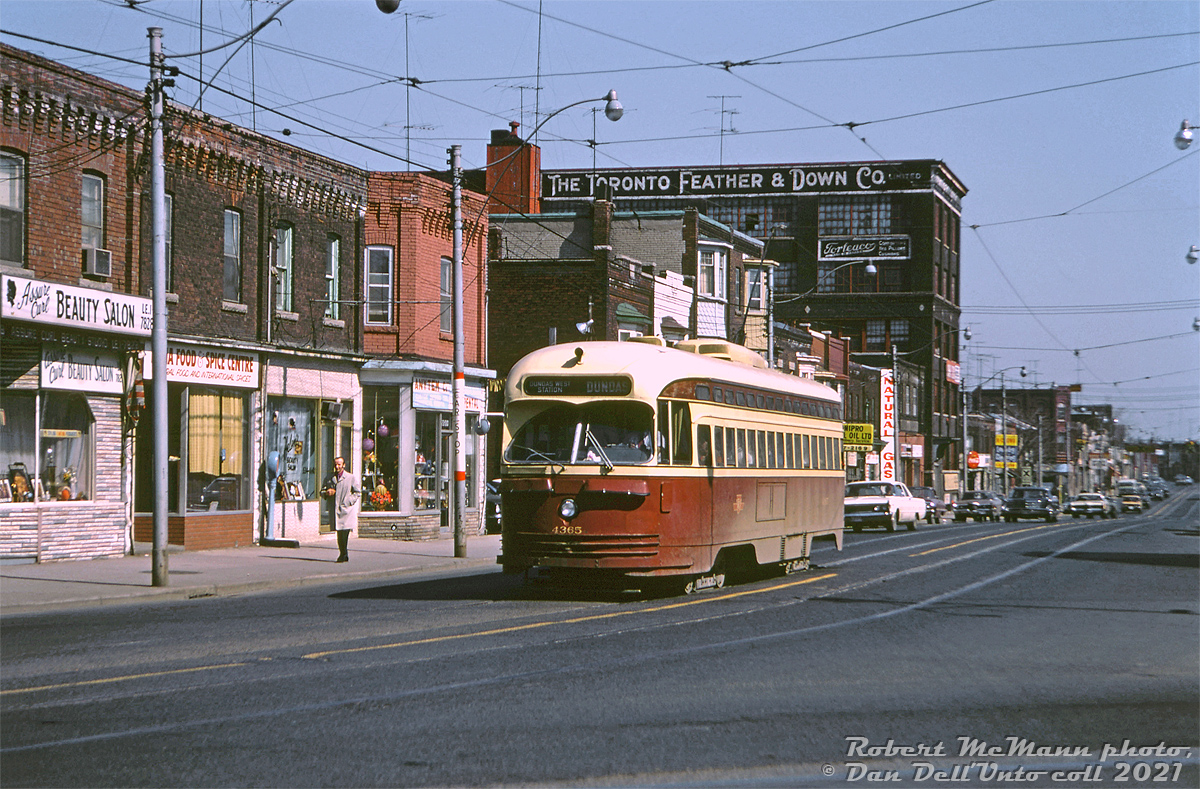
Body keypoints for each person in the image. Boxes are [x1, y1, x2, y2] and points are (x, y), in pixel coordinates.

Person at [323, 456, 360, 562]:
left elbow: (357, 492)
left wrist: (349, 501)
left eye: (339, 464)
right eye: (335, 464)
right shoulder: (330, 477)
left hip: (346, 510)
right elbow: (322, 490)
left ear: (344, 465)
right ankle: (344, 554)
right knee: (339, 533)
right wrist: (327, 492)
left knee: (344, 533)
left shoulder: (350, 477)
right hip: (336, 509)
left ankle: (343, 554)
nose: (337, 466)